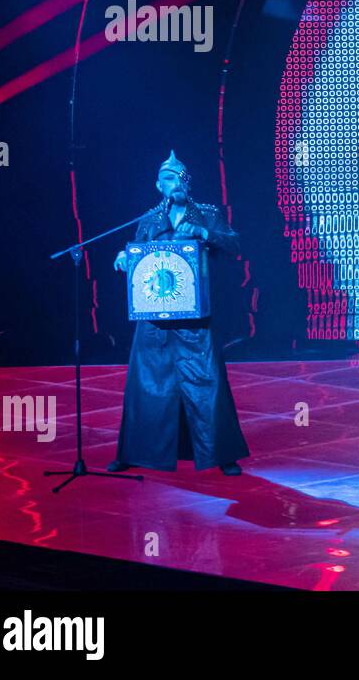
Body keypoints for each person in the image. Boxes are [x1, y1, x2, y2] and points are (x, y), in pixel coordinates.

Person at [109, 151, 250, 475]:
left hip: (194, 318)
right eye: (170, 178)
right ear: (159, 184)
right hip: (155, 316)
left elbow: (234, 245)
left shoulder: (207, 214)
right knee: (146, 385)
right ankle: (134, 451)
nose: (177, 183)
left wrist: (204, 234)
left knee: (206, 383)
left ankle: (220, 453)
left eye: (182, 177)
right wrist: (124, 256)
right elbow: (140, 254)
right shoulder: (148, 220)